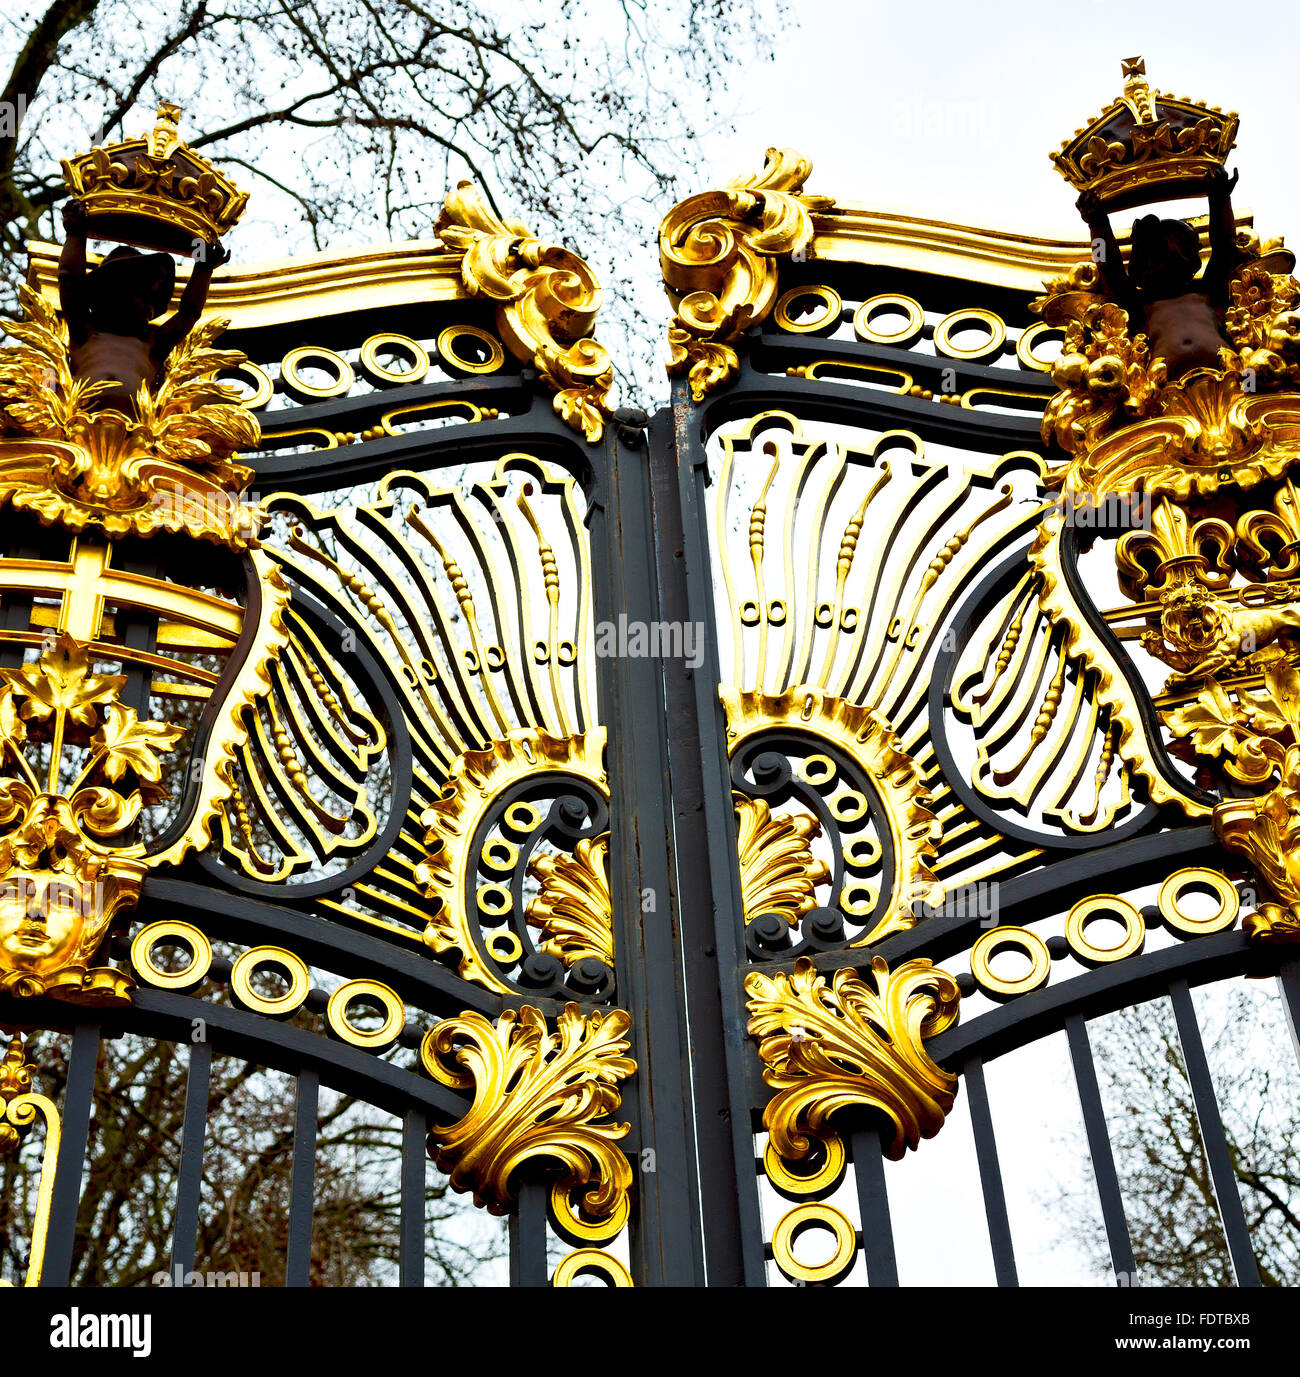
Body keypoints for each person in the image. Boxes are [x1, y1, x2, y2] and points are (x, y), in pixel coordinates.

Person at [57, 199, 229, 410]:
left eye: (152, 299)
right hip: (78, 423)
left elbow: (189, 313)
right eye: (142, 294)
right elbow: (69, 280)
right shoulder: (85, 330)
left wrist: (204, 266)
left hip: (138, 433)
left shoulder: (152, 342)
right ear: (111, 294)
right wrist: (75, 233)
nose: (150, 305)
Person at [1078, 168, 1241, 378]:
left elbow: (1225, 247)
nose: (1157, 265)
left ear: (1188, 259)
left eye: (1167, 256)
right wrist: (1096, 223)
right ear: (1140, 268)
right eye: (1150, 259)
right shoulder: (1137, 304)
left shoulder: (1209, 290)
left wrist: (1220, 199)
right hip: (1162, 395)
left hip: (1229, 381)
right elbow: (1107, 265)